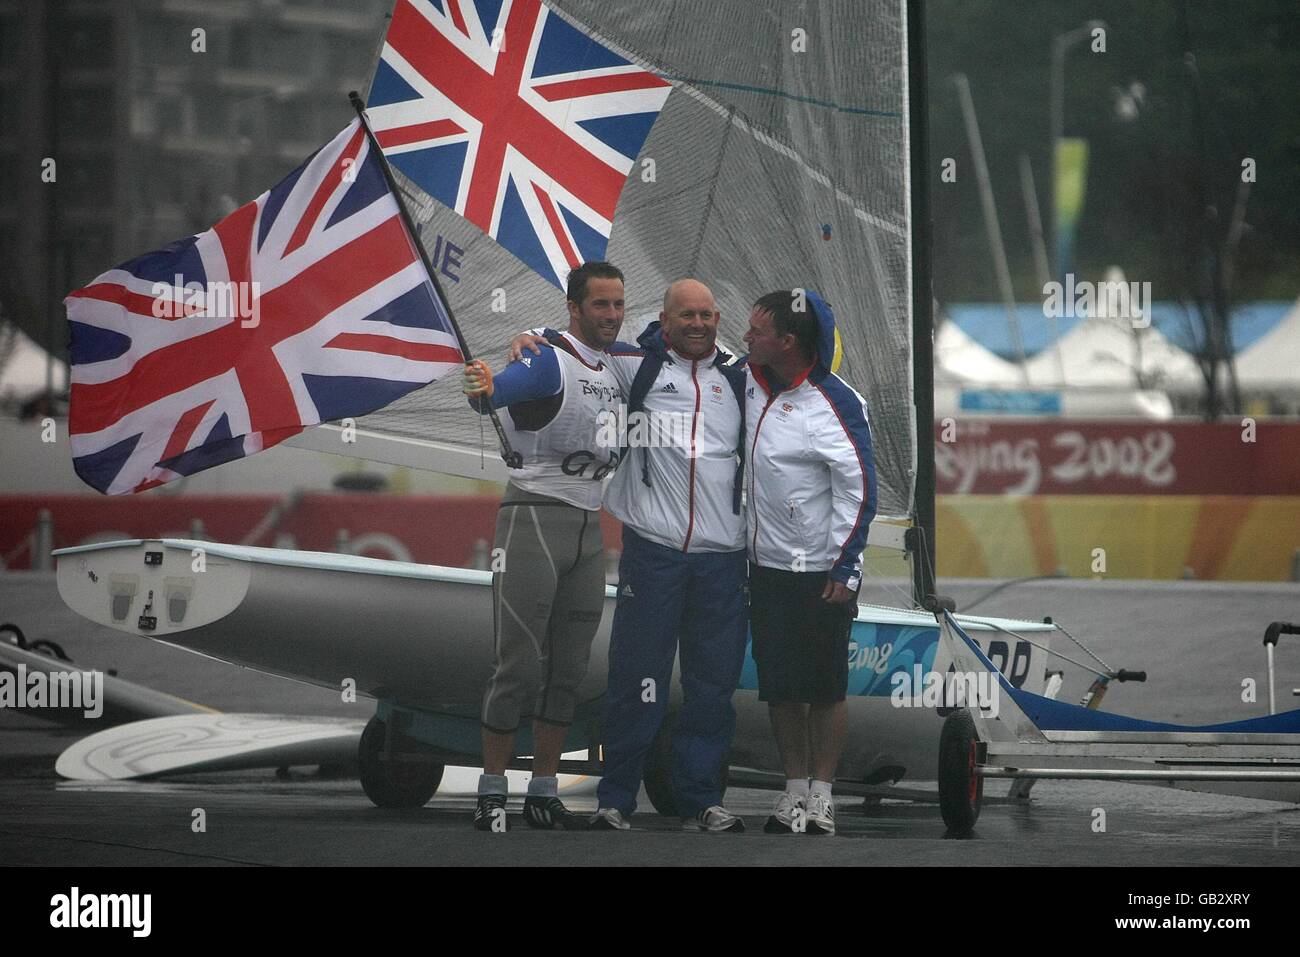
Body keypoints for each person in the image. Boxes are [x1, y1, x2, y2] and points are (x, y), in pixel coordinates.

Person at [511, 279, 750, 832]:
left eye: (707, 315)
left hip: (722, 559)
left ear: (718, 318)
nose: (697, 324)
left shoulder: (740, 379)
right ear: (664, 321)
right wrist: (529, 337)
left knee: (712, 686)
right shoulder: (634, 363)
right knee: (636, 678)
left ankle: (702, 801)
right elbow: (578, 348)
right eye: (685, 315)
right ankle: (615, 799)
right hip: (654, 552)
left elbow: (803, 379)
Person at [462, 260, 626, 832]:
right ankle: (490, 792)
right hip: (532, 520)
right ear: (574, 308)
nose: (610, 315)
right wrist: (485, 385)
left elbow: (675, 349)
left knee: (569, 670)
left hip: (587, 527)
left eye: (617, 305)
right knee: (519, 665)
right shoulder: (547, 356)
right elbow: (497, 391)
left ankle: (544, 789)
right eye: (600, 305)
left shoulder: (617, 361)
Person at [740, 289, 877, 835]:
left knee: (824, 687)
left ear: (789, 342)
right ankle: (792, 791)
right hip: (766, 565)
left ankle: (822, 796)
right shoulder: (748, 378)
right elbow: (681, 349)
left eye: (756, 331)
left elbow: (860, 491)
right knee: (779, 687)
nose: (745, 338)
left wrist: (845, 568)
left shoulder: (839, 403)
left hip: (822, 572)